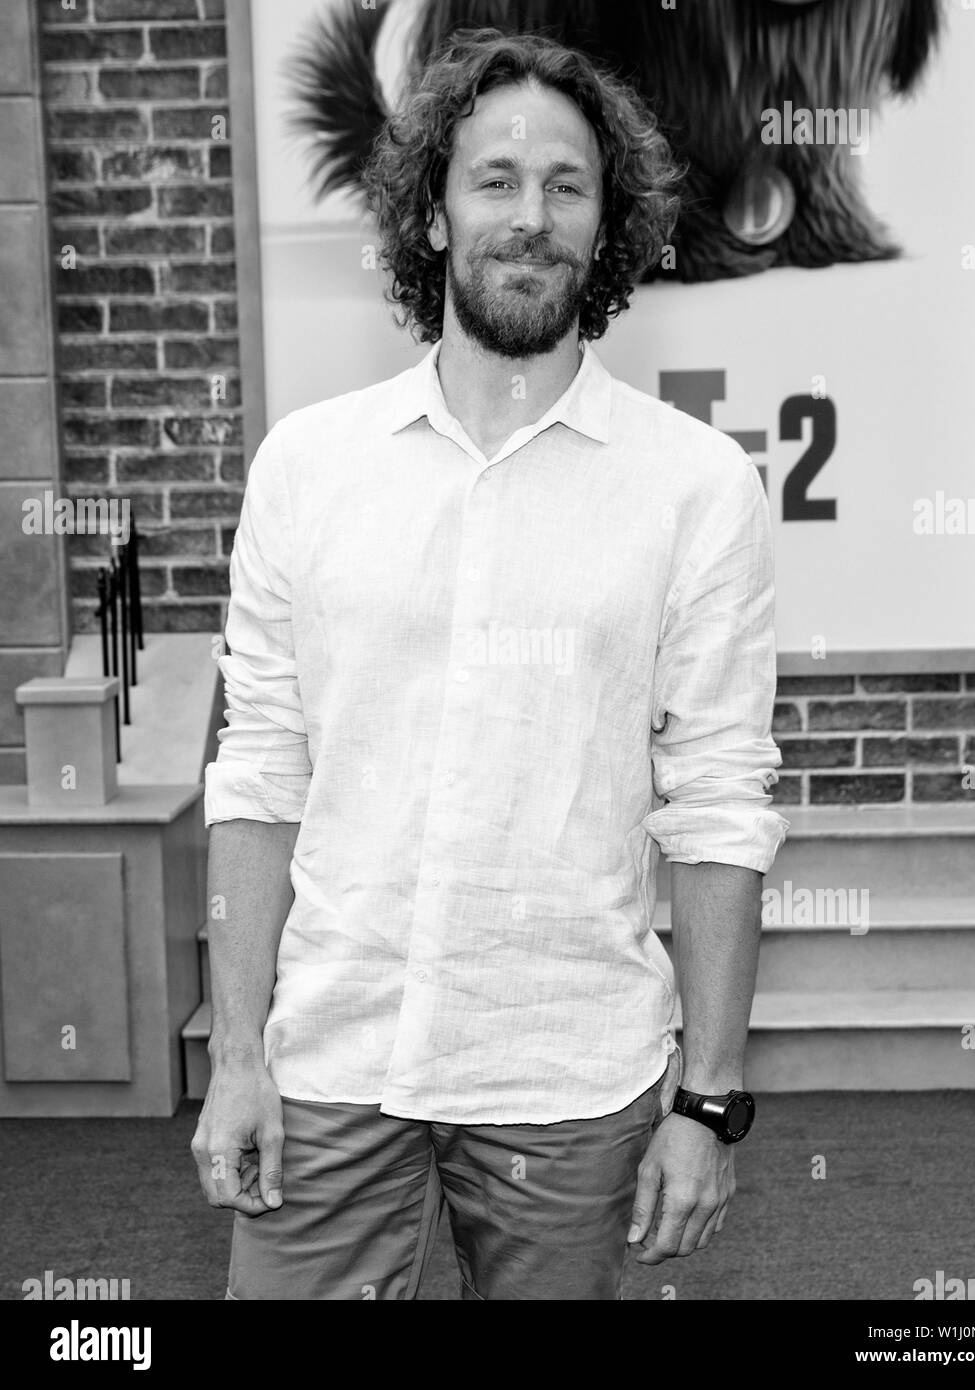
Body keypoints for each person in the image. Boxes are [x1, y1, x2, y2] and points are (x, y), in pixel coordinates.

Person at [193, 26, 789, 1301]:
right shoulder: (309, 467)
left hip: (569, 1077)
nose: (531, 216)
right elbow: (258, 774)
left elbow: (721, 801)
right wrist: (238, 1051)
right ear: (429, 216)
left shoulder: (694, 487)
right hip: (334, 1067)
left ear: (607, 230)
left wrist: (709, 1099)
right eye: (497, 179)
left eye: (566, 186)